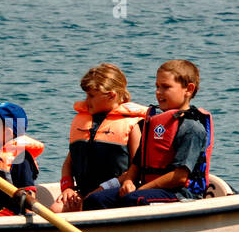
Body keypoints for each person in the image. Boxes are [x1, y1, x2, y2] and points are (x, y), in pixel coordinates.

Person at [84, 59, 213, 209]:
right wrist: (128, 182)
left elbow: (180, 176)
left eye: (166, 87)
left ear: (189, 89)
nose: (159, 92)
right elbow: (137, 163)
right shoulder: (154, 122)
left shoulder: (192, 128)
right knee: (96, 200)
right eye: (157, 86)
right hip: (149, 188)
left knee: (134, 200)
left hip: (180, 194)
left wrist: (142, 189)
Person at [50, 64, 148, 212]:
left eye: (91, 96)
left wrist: (104, 188)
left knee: (92, 202)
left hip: (116, 192)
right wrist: (68, 189)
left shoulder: (132, 125)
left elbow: (137, 169)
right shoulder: (85, 123)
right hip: (85, 193)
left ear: (111, 95)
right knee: (56, 208)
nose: (86, 100)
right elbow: (68, 163)